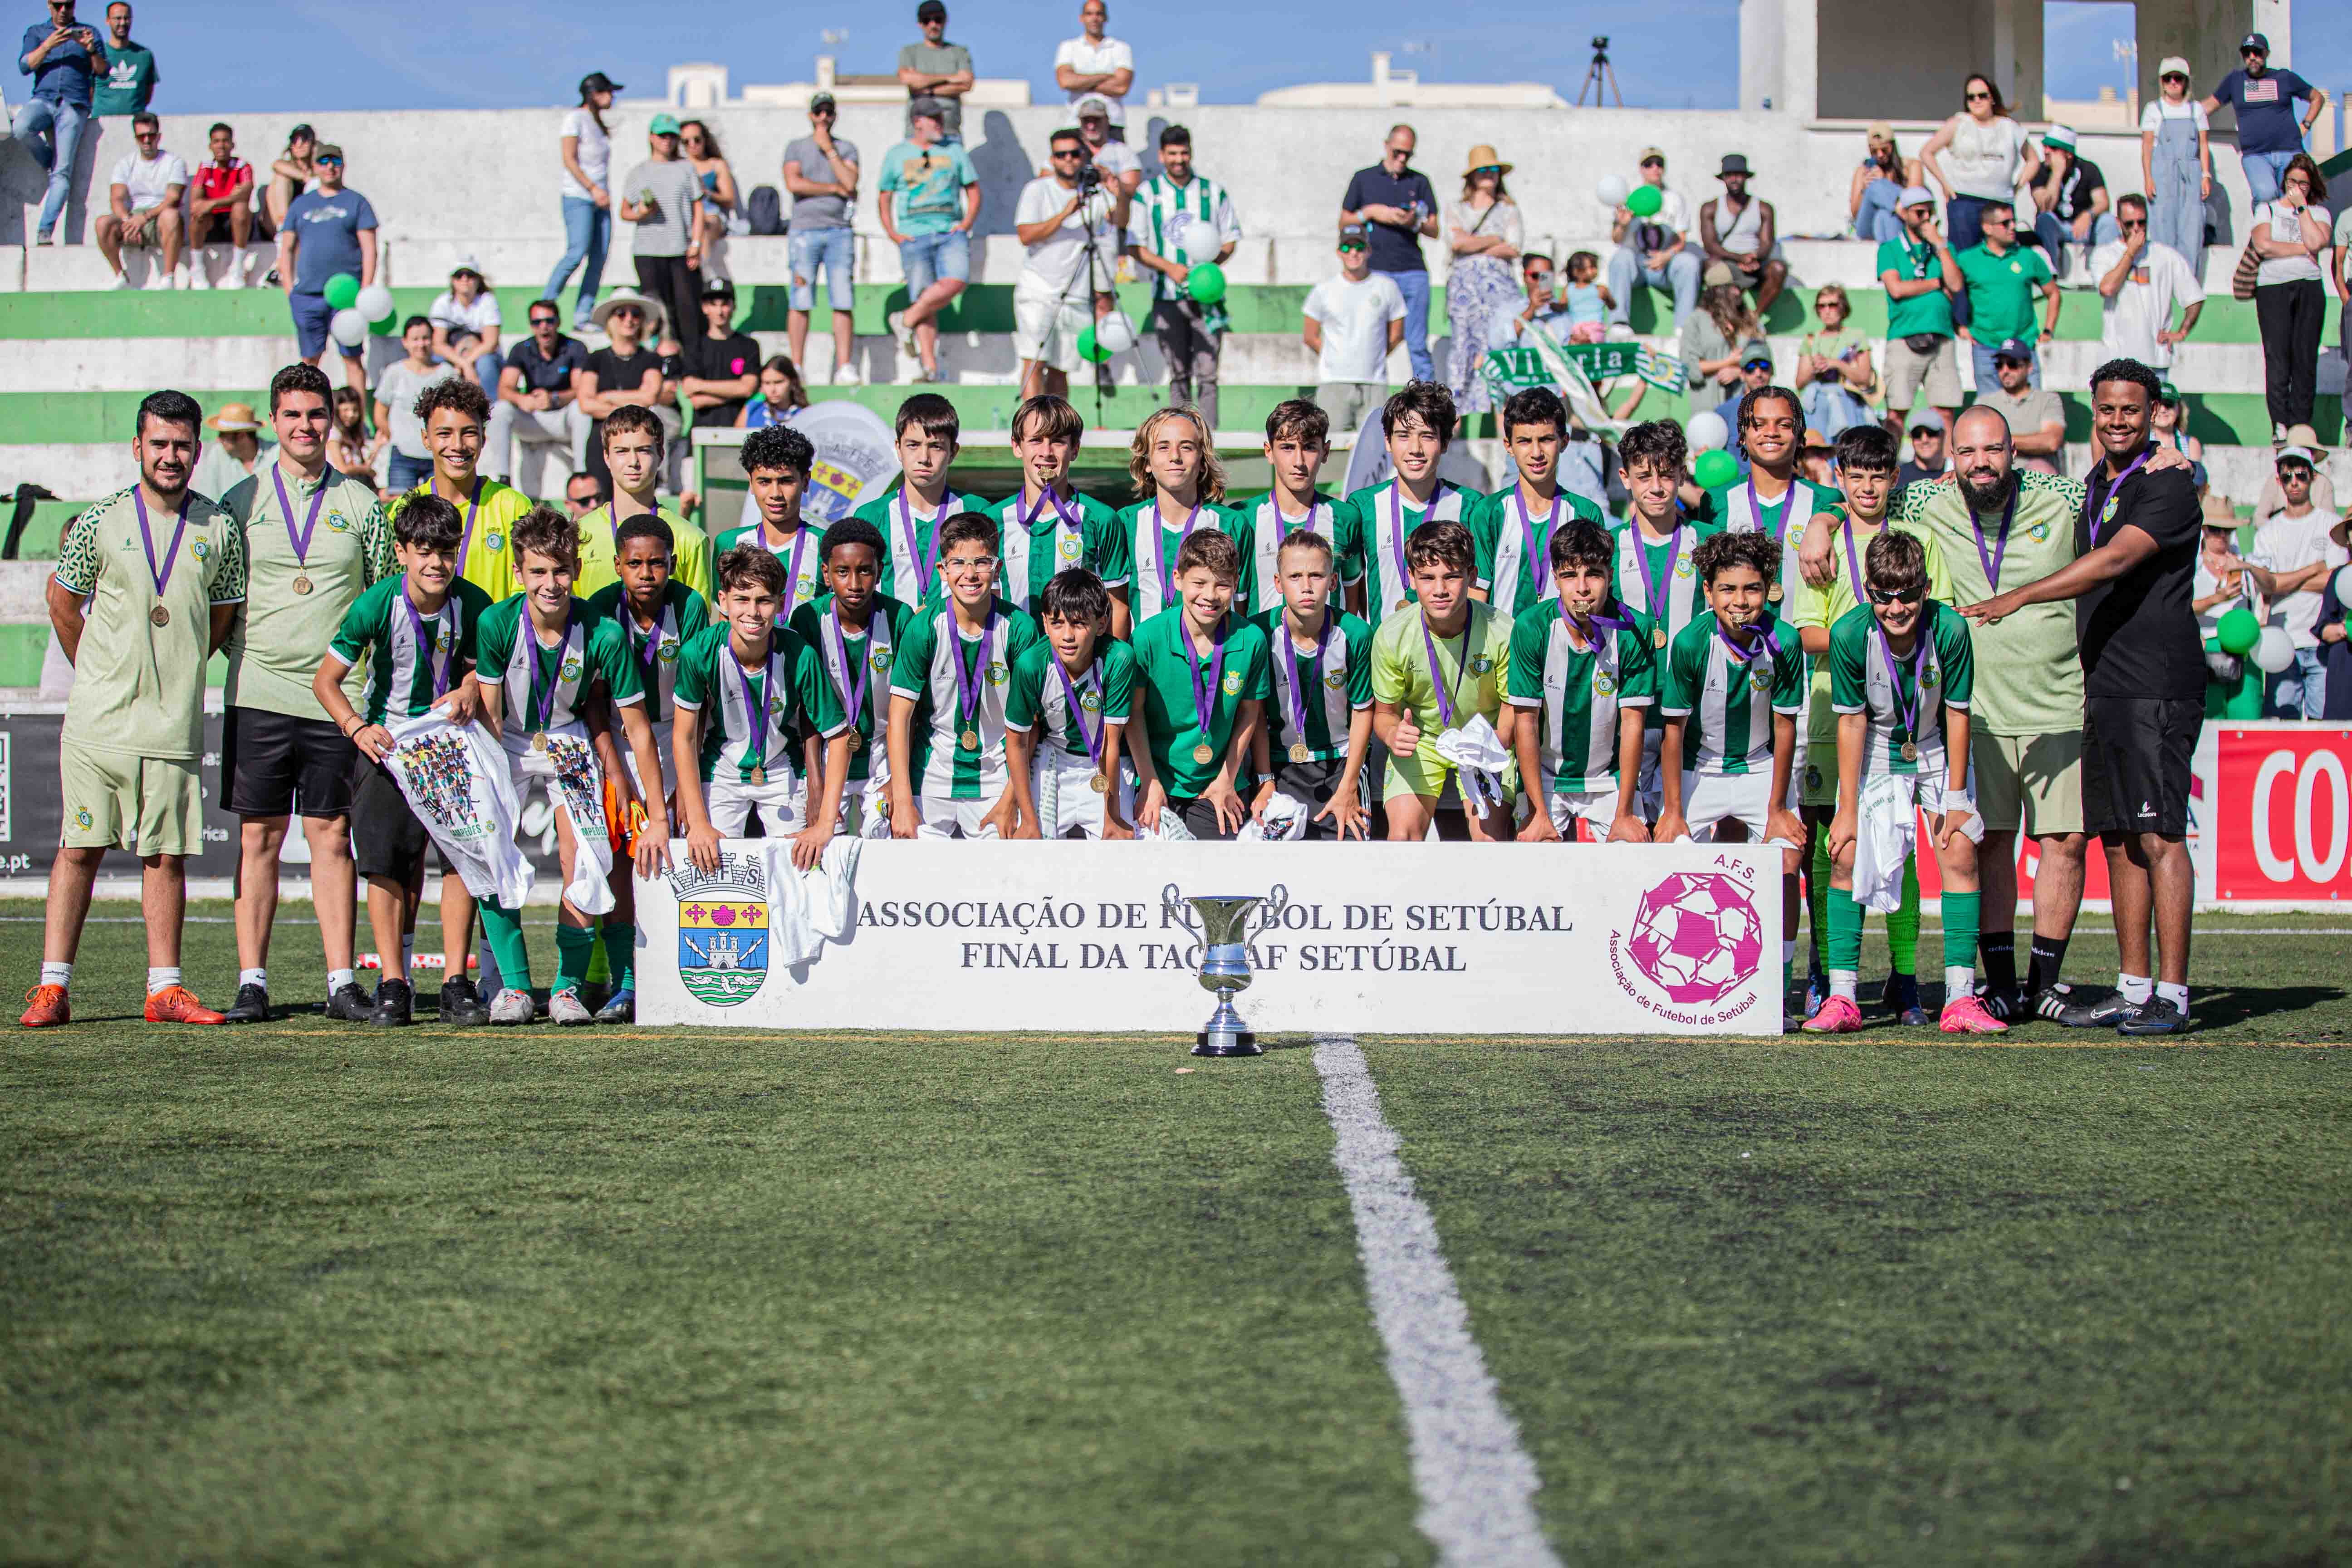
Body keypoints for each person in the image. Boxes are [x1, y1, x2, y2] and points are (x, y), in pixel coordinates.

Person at [1799, 405, 2130, 1023]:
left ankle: (2003, 991)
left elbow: (2110, 488)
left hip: (1999, 716)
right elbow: (1856, 492)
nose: (1982, 462)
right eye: (1968, 451)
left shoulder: (2050, 500)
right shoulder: (1909, 528)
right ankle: (1888, 992)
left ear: (2014, 449)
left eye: (1994, 449)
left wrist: (2170, 459)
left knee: (2012, 844)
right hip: (1917, 728)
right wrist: (1819, 522)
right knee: (1902, 850)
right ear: (1951, 460)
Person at [1958, 359, 2202, 1035]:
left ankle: (2174, 996)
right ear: (2094, 412)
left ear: (2155, 413)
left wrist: (2024, 594)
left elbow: (2120, 559)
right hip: (2103, 686)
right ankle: (2133, 987)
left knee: (2159, 836)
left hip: (2156, 683)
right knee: (2120, 841)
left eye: (2132, 409)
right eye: (2107, 409)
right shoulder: (2096, 482)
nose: (2118, 420)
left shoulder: (2170, 485)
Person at [24, 390, 243, 1029]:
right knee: (79, 849)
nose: (170, 456)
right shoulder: (99, 520)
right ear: (137, 448)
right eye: (159, 444)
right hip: (100, 719)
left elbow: (223, 617)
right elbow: (63, 603)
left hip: (171, 721)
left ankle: (165, 988)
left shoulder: (219, 527)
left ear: (197, 450)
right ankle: (53, 987)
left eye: (181, 445)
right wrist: (97, 669)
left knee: (166, 856)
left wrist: (176, 672)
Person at [216, 361, 392, 1024]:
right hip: (259, 691)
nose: (304, 426)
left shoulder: (361, 504)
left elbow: (379, 599)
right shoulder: (240, 502)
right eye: (291, 414)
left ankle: (342, 982)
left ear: (332, 418)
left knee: (331, 836)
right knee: (258, 838)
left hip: (334, 701)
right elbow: (223, 599)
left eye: (315, 414)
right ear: (273, 422)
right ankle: (252, 981)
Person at [472, 505, 668, 1026]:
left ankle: (565, 988)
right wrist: (491, 783)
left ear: (578, 570)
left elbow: (639, 726)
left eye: (561, 569)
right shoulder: (496, 623)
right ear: (519, 574)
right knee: (492, 848)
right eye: (538, 571)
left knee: (585, 856)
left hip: (569, 739)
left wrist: (659, 814)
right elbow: (491, 716)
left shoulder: (602, 633)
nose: (551, 583)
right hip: (508, 742)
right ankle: (514, 989)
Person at [1809, 528, 2003, 1034]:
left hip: (1935, 744)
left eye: (1909, 595)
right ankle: (1843, 998)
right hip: (1875, 746)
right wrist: (1847, 809)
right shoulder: (1851, 634)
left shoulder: (1952, 629)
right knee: (1847, 854)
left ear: (1926, 587)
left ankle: (1961, 998)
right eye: (1884, 596)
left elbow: (1958, 715)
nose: (1897, 608)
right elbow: (1852, 722)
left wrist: (1957, 798)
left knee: (1960, 848)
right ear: (1869, 590)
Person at [313, 493, 494, 1027]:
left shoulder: (474, 602)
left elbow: (484, 671)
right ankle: (394, 982)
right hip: (388, 747)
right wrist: (357, 729)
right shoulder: (376, 603)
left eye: (446, 550)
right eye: (424, 550)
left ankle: (455, 983)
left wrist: (466, 690)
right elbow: (326, 681)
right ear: (401, 553)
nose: (436, 562)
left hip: (449, 748)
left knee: (460, 862)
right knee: (385, 866)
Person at [1789, 424, 1950, 1023]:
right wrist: (1870, 639)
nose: (1867, 486)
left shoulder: (1919, 540)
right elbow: (1805, 631)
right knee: (1836, 847)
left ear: (1894, 477)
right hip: (1835, 716)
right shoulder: (1815, 542)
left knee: (1900, 849)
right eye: (1855, 476)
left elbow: (1939, 617)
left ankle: (1905, 979)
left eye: (1878, 475)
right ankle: (1833, 979)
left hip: (1905, 719)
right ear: (1839, 478)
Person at [1655, 529, 1806, 1013]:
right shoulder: (1691, 642)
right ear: (1708, 593)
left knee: (1785, 862)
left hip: (1761, 768)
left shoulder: (1784, 641)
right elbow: (1673, 735)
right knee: (1672, 866)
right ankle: (1673, 976)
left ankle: (1778, 982)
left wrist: (1778, 808)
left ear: (1769, 590)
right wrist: (1673, 811)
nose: (1740, 602)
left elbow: (1785, 728)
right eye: (1728, 590)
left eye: (1752, 589)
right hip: (1702, 769)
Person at [583, 513, 708, 1019]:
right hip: (614, 736)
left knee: (675, 851)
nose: (646, 573)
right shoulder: (598, 609)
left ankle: (676, 974)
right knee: (619, 860)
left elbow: (702, 695)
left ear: (673, 564)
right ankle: (625, 980)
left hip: (676, 736)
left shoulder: (691, 606)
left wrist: (688, 779)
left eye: (657, 562)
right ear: (617, 565)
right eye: (634, 563)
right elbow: (590, 702)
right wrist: (615, 771)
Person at [673, 544, 850, 859]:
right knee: (715, 865)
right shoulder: (697, 652)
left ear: (781, 603)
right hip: (722, 769)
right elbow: (685, 737)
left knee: (799, 866)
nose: (753, 612)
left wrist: (825, 823)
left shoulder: (800, 655)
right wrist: (698, 820)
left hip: (782, 768)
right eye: (742, 600)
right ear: (723, 602)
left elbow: (839, 737)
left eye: (764, 601)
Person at [887, 511, 1043, 839]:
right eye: (958, 563)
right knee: (922, 887)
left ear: (997, 567)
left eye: (982, 563)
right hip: (930, 778)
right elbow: (900, 717)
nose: (970, 575)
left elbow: (1031, 724)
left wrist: (1011, 798)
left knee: (997, 886)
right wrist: (902, 800)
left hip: (997, 782)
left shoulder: (1020, 628)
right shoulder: (924, 627)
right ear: (943, 570)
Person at [1506, 516, 1651, 847]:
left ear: (1610, 577)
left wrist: (1625, 813)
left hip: (1608, 778)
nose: (1583, 588)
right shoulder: (1533, 626)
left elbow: (1632, 724)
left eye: (1594, 575)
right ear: (1556, 578)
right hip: (1547, 776)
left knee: (1632, 861)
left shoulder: (1634, 630)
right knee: (1534, 859)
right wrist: (1539, 813)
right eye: (1571, 575)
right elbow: (1525, 722)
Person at [1371, 519, 1514, 842]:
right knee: (1402, 840)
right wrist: (1395, 734)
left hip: (1484, 740)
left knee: (1490, 843)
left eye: (1451, 577)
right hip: (1423, 741)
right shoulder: (1392, 634)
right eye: (1427, 578)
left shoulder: (1503, 630)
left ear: (1472, 577)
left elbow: (1512, 710)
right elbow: (1384, 714)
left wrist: (1498, 740)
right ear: (1411, 578)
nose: (1439, 590)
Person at [1125, 529, 1268, 841]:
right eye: (1199, 583)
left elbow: (1248, 714)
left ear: (1236, 584)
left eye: (1222, 585)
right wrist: (1148, 779)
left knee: (1214, 877)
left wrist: (1227, 778)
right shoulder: (1148, 638)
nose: (1210, 596)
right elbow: (1133, 715)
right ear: (1178, 579)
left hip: (1218, 783)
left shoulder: (1251, 640)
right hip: (1158, 779)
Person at [788, 516, 912, 840]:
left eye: (865, 571)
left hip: (884, 755)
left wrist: (899, 783)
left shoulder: (900, 617)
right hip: (828, 755)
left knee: (887, 849)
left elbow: (910, 708)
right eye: (843, 572)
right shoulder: (807, 619)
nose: (855, 584)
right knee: (822, 853)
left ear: (880, 572)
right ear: (826, 574)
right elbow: (806, 709)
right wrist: (815, 782)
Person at [1250, 531, 1372, 840]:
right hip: (1278, 768)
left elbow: (1363, 712)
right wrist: (1266, 782)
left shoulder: (1356, 634)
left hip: (1340, 767)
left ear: (1333, 582)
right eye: (1295, 576)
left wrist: (1350, 785)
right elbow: (1255, 716)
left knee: (1346, 865)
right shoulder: (1258, 634)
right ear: (1278, 583)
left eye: (1316, 576)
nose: (1306, 587)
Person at [1003, 567, 1136, 840]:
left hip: (1104, 763)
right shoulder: (1031, 665)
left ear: (1101, 624)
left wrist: (1113, 817)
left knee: (1120, 846)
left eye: (1078, 624)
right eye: (1057, 623)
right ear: (1044, 622)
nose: (1067, 636)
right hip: (1054, 760)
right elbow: (1016, 743)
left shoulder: (1119, 658)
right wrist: (1028, 821)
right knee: (1035, 851)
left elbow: (1110, 744)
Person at [1129, 123, 1240, 428]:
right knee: (1178, 373)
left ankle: (1209, 440)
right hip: (1166, 297)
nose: (1179, 159)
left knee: (1208, 374)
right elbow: (1135, 246)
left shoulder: (1213, 193)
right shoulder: (1147, 194)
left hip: (1207, 300)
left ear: (1191, 153)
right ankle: (1181, 435)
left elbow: (1230, 239)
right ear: (1162, 156)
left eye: (1184, 153)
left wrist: (1208, 270)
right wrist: (1170, 269)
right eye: (1172, 154)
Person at [984, 393, 1128, 622]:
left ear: (1075, 449)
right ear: (1016, 446)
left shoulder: (1101, 520)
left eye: (1058, 441)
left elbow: (1117, 606)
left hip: (1080, 656)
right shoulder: (992, 521)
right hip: (1014, 656)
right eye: (1035, 440)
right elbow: (985, 601)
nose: (1047, 452)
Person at [390, 377, 533, 606]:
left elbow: (527, 593)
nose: (458, 445)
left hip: (491, 641)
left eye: (469, 433)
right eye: (445, 434)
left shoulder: (514, 507)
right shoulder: (403, 510)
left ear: (484, 438)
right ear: (426, 439)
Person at [1338, 381, 1475, 620]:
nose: (1415, 449)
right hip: (1383, 652)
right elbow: (1354, 592)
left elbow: (1475, 590)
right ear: (1388, 442)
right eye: (1403, 436)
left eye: (1428, 436)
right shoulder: (1362, 506)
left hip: (1449, 653)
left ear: (1444, 443)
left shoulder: (1470, 506)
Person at [1472, 387, 1607, 616]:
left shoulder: (1586, 513)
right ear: (1509, 446)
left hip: (1564, 645)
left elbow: (1594, 591)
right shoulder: (1488, 513)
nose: (1536, 453)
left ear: (1564, 442)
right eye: (1525, 441)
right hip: (1503, 649)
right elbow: (1476, 596)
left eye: (1546, 440)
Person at [1013, 126, 1122, 401]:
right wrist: (1065, 213)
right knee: (1034, 363)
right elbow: (1026, 235)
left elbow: (1121, 220)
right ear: (1052, 159)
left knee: (1061, 370)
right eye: (1061, 155)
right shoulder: (1037, 190)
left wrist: (1118, 192)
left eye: (1075, 154)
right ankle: (1030, 432)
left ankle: (1058, 433)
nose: (1069, 160)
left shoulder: (1096, 193)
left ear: (1084, 156)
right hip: (1037, 290)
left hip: (1075, 295)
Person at [876, 98, 978, 387]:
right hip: (913, 235)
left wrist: (965, 224)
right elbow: (884, 196)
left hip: (949, 233)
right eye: (933, 118)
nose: (939, 124)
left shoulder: (955, 151)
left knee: (956, 280)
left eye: (940, 118)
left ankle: (905, 320)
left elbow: (973, 189)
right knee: (925, 300)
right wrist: (893, 233)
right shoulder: (897, 154)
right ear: (917, 121)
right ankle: (930, 369)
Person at [1119, 404, 1252, 623]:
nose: (1175, 456)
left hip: (1213, 656)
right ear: (1147, 463)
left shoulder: (1232, 524)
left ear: (1203, 461)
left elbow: (1240, 609)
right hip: (1144, 656)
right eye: (1163, 447)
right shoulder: (1126, 523)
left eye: (1187, 447)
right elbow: (1118, 606)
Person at [2247, 442, 2349, 718]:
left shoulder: (2330, 524)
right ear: (2278, 480)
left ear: (2313, 477)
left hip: (2320, 641)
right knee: (2282, 726)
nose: (2294, 483)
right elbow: (2265, 585)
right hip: (2283, 641)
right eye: (2287, 476)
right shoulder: (2268, 532)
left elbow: (2337, 582)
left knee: (2324, 726)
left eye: (2301, 475)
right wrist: (2311, 570)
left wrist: (2282, 582)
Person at [574, 403, 713, 602]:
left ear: (661, 456)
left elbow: (698, 625)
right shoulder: (579, 536)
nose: (633, 461)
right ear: (606, 457)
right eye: (621, 451)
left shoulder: (690, 539)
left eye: (644, 450)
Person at [851, 394, 973, 609]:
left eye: (936, 446)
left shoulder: (976, 511)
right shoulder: (871, 517)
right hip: (890, 641)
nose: (924, 458)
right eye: (913, 445)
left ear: (953, 452)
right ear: (898, 448)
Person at [1340, 125, 1441, 381]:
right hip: (1376, 271)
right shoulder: (1364, 179)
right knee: (1370, 338)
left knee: (1417, 343)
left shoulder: (1419, 181)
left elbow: (1434, 228)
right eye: (1398, 152)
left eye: (1408, 154)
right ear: (1386, 145)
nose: (1402, 159)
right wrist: (1372, 212)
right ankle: (1364, 393)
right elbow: (1344, 222)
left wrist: (1412, 221)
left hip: (1413, 271)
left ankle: (1427, 404)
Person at [279, 143, 376, 399]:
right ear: (314, 167)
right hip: (308, 296)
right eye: (323, 161)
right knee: (309, 363)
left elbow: (369, 247)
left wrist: (365, 289)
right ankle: (308, 415)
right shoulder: (301, 204)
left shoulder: (357, 202)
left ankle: (356, 428)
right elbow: (287, 247)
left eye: (335, 161)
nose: (330, 166)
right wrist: (290, 288)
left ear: (343, 165)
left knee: (353, 359)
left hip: (347, 297)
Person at [784, 91, 864, 384]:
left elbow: (851, 182)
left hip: (839, 232)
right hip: (804, 231)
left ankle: (844, 365)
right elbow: (794, 183)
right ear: (811, 115)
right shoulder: (796, 147)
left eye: (828, 112)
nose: (823, 117)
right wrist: (833, 189)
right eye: (818, 112)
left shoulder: (846, 148)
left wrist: (829, 150)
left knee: (842, 298)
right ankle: (796, 365)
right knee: (800, 298)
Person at [2249, 154, 2331, 441]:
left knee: (2305, 357)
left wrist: (2302, 210)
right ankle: (2280, 422)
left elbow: (2317, 241)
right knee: (2277, 357)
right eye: (2292, 182)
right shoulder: (2267, 210)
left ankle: (2301, 424)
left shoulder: (2319, 213)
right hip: (2273, 287)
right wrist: (2301, 250)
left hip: (2309, 286)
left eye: (2303, 184)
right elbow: (2263, 245)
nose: (2296, 188)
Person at [13, 0, 105, 246]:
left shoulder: (90, 32)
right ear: (49, 6)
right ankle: (47, 160)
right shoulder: (37, 32)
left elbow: (103, 71)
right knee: (20, 128)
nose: (64, 10)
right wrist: (47, 46)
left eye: (70, 5)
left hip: (74, 106)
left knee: (63, 173)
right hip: (43, 99)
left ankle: (45, 230)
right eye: (59, 5)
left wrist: (91, 50)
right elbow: (24, 66)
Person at [1239, 398, 1341, 617]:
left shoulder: (1346, 517)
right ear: (1269, 452)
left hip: (1328, 648)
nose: (1299, 461)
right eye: (1287, 447)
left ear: (1326, 451)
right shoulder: (1242, 518)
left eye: (1309, 447)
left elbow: (1353, 602)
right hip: (1263, 649)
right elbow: (1237, 601)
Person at [1877, 185, 1963, 443]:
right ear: (1904, 214)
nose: (1926, 218)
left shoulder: (1944, 249)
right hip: (1904, 337)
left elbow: (1957, 285)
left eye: (1930, 212)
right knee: (1897, 413)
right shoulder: (1890, 249)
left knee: (1945, 412)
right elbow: (1897, 289)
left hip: (1942, 337)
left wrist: (1940, 245)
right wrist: (1937, 284)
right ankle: (1889, 471)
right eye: (1919, 213)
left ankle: (1950, 472)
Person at [715, 424, 827, 620]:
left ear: (806, 482)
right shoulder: (729, 544)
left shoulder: (826, 545)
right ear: (751, 482)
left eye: (786, 481)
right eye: (764, 482)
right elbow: (725, 623)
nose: (775, 494)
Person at [2202, 33, 2328, 208]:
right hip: (2256, 155)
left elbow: (2317, 99)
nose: (2252, 57)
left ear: (2266, 54)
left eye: (2257, 52)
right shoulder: (2235, 81)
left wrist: (2305, 125)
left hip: (2290, 152)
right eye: (2247, 53)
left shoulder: (2284, 78)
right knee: (2265, 195)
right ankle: (2263, 234)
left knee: (2292, 200)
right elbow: (2207, 107)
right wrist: (2175, 111)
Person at [1919, 72, 2039, 254]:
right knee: (1965, 261)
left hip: (2000, 203)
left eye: (1982, 96)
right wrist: (1945, 184)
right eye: (1971, 97)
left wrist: (2017, 186)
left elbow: (2033, 160)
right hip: (1964, 203)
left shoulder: (2011, 128)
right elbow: (1927, 152)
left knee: (2001, 259)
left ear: (1992, 98)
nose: (1977, 101)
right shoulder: (1959, 123)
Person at [1443, 146, 1523, 415]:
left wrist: (1472, 244)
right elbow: (1456, 243)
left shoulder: (1509, 209)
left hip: (1498, 291)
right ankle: (1457, 418)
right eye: (1484, 171)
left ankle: (1504, 417)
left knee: (1498, 347)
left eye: (1494, 171)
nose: (1490, 176)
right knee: (1463, 348)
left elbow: (1513, 247)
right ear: (1473, 176)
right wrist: (1493, 240)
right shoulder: (1456, 208)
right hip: (1465, 292)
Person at [1303, 224, 1405, 433]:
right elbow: (1310, 336)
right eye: (1348, 247)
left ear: (1368, 250)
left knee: (1376, 447)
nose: (1354, 253)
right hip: (1334, 383)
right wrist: (1338, 357)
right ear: (1339, 252)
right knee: (1330, 449)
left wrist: (1372, 356)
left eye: (1359, 246)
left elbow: (1397, 334)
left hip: (1374, 383)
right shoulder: (1324, 290)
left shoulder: (1386, 287)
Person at [578, 290, 677, 497]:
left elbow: (649, 397)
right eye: (621, 313)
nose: (629, 319)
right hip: (602, 438)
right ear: (610, 320)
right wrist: (632, 404)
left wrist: (605, 397)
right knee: (601, 501)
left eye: (636, 314)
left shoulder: (651, 359)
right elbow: (586, 403)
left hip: (640, 440)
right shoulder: (596, 359)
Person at [619, 114, 703, 353]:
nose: (667, 140)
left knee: (687, 310)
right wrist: (643, 213)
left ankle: (690, 364)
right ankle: (657, 361)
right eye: (662, 135)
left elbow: (698, 207)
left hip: (679, 250)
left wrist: (696, 243)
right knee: (655, 312)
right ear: (651, 138)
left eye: (672, 136)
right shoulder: (639, 172)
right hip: (648, 251)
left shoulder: (686, 168)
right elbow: (625, 211)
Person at [1954, 200, 2057, 392]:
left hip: (2024, 346)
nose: (2012, 227)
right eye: (2005, 223)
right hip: (1986, 348)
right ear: (1987, 228)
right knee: (1990, 415)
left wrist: (2048, 330)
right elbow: (1950, 291)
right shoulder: (1967, 259)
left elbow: (2053, 293)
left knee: (2031, 413)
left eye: (2013, 222)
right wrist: (1959, 326)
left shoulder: (2029, 256)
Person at [2093, 195, 2204, 372]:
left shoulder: (2166, 256)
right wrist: (2131, 253)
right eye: (2129, 224)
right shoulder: (2104, 255)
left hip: (2156, 360)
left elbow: (2195, 298)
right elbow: (2107, 288)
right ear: (2118, 222)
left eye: (2141, 222)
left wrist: (2182, 332)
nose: (2136, 228)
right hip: (2115, 359)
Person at [489, 298, 589, 486]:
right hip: (533, 419)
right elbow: (504, 389)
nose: (544, 327)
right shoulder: (521, 349)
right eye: (537, 322)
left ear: (558, 322)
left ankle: (581, 473)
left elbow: (581, 390)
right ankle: (503, 478)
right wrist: (521, 399)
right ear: (531, 326)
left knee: (581, 408)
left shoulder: (575, 348)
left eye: (549, 321)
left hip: (564, 419)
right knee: (501, 409)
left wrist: (554, 399)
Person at [547, 72, 618, 332]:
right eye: (607, 92)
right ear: (594, 94)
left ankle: (583, 315)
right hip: (579, 197)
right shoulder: (574, 119)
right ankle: (546, 305)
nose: (612, 97)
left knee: (598, 259)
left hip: (601, 201)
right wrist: (592, 188)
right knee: (576, 253)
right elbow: (569, 159)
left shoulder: (597, 123)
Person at [1605, 147, 1700, 332]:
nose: (1655, 168)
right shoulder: (1628, 198)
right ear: (1641, 169)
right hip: (1637, 267)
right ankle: (1619, 324)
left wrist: (1667, 255)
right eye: (1649, 164)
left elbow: (1681, 239)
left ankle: (1683, 328)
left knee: (1689, 262)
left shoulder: (1675, 199)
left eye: (1659, 164)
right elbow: (1616, 239)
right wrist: (1622, 225)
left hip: (1664, 266)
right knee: (1621, 257)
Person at [2194, 494, 2269, 719]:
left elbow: (2271, 585)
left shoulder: (2246, 562)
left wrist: (2246, 566)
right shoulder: (2193, 567)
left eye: (2227, 530)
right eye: (2215, 530)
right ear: (2204, 531)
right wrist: (2217, 599)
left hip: (2244, 653)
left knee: (2248, 723)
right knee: (2210, 726)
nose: (2222, 536)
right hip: (2208, 650)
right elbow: (2180, 608)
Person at [95, 110, 183, 286]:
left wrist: (145, 218)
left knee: (171, 216)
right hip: (134, 216)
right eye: (142, 136)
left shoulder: (174, 162)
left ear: (159, 137)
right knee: (102, 223)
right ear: (136, 138)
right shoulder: (125, 164)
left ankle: (168, 278)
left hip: (160, 217)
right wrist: (128, 221)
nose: (147, 141)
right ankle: (121, 277)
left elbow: (173, 198)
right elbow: (117, 199)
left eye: (151, 135)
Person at [2140, 59, 2211, 266]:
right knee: (2163, 227)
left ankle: (2189, 287)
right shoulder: (2153, 109)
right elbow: (2146, 147)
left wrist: (2206, 176)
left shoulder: (2196, 109)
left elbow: (2204, 145)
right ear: (2162, 82)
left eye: (2178, 78)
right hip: (2163, 174)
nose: (2173, 83)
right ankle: (2164, 283)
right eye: (2168, 78)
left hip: (2191, 174)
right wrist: (2148, 178)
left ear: (2186, 82)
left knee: (2192, 228)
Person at [372, 316, 454, 495]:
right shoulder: (394, 372)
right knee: (400, 507)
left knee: (440, 507)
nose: (421, 344)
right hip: (403, 456)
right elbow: (380, 412)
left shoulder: (447, 372)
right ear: (405, 342)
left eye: (425, 338)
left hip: (438, 455)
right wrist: (395, 436)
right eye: (415, 339)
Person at [1698, 153, 1786, 316]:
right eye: (1729, 175)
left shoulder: (1763, 208)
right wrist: (1739, 258)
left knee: (1778, 269)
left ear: (1746, 177)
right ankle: (1727, 319)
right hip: (1727, 261)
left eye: (1738, 174)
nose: (1734, 179)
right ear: (1723, 178)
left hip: (1755, 263)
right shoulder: (1710, 208)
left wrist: (1754, 257)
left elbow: (1767, 243)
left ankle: (1755, 317)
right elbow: (1710, 245)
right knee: (1712, 267)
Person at [2026, 125, 2114, 281]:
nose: (2046, 151)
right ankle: (2049, 278)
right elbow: (2045, 207)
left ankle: (2108, 274)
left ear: (2068, 154)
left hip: (2084, 228)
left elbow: (2103, 202)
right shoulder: (2040, 171)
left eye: (2053, 148)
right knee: (2044, 219)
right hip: (2056, 228)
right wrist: (2057, 174)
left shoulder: (2088, 169)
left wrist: (2089, 215)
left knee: (2108, 221)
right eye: (2045, 146)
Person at [1974, 339, 2067, 477]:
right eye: (2000, 365)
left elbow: (2051, 442)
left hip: (2036, 480)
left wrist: (2001, 441)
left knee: (2039, 468)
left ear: (2029, 367)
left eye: (2012, 365)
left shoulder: (2049, 400)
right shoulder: (1984, 403)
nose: (2005, 371)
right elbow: (1976, 442)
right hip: (1996, 477)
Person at [1794, 284, 1875, 439]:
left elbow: (1865, 378)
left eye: (1832, 305)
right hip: (1818, 406)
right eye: (1822, 306)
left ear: (1843, 308)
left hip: (1848, 404)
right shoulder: (1811, 340)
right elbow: (1800, 382)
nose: (1827, 310)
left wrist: (1836, 364)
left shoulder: (1856, 336)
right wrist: (1815, 368)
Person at [678, 278, 759, 430]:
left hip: (740, 429)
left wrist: (701, 387)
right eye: (714, 305)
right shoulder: (695, 347)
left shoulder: (749, 346)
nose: (720, 311)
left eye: (724, 304)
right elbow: (692, 393)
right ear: (704, 308)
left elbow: (748, 388)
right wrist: (737, 392)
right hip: (702, 430)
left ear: (734, 306)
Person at [187, 122, 258, 289]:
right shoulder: (205, 168)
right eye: (217, 141)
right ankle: (197, 269)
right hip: (212, 223)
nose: (221, 146)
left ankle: (238, 268)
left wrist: (212, 202)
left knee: (240, 208)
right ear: (210, 145)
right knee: (198, 215)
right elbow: (195, 203)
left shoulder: (243, 167)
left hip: (235, 223)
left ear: (233, 144)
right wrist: (231, 197)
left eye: (225, 141)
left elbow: (245, 194)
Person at [897, 0, 973, 142]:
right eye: (927, 21)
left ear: (945, 21)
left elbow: (967, 83)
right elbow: (908, 80)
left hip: (950, 133)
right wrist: (952, 78)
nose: (933, 25)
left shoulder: (959, 52)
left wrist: (926, 88)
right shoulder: (910, 52)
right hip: (916, 135)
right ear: (920, 24)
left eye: (938, 20)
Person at [1679, 283, 1757, 422]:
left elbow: (1764, 363)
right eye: (1734, 287)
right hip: (1707, 405)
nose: (1739, 293)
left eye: (1740, 288)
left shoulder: (1747, 319)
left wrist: (1739, 372)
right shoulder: (1696, 320)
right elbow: (1690, 367)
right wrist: (1728, 362)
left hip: (1741, 407)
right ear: (1718, 290)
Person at [1053, 0, 1132, 133]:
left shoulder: (1121, 48)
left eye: (1099, 14)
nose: (1094, 19)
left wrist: (1080, 82)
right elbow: (1065, 81)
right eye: (1089, 14)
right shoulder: (1068, 47)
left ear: (1106, 18)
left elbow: (1122, 87)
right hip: (1075, 123)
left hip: (1113, 123)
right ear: (1082, 18)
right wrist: (1105, 76)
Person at [428, 257, 502, 398]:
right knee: (438, 364)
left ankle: (492, 408)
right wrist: (464, 364)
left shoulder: (488, 301)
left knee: (486, 364)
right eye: (459, 275)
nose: (465, 279)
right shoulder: (442, 303)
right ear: (453, 280)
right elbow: (438, 344)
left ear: (478, 279)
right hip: (454, 356)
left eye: (470, 275)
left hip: (480, 356)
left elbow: (491, 343)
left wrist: (467, 362)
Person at [190, 401, 274, 504]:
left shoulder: (277, 454)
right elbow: (208, 500)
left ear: (242, 436)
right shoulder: (216, 455)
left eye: (223, 435)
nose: (218, 440)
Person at [1850, 122, 1921, 244]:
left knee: (1884, 215)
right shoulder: (1864, 170)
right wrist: (1864, 189)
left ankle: (1894, 259)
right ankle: (1900, 208)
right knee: (1874, 186)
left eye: (1884, 149)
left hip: (1897, 224)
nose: (1880, 155)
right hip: (1867, 227)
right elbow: (1856, 214)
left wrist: (1885, 181)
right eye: (1874, 151)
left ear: (1893, 146)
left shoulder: (1911, 166)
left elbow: (1916, 201)